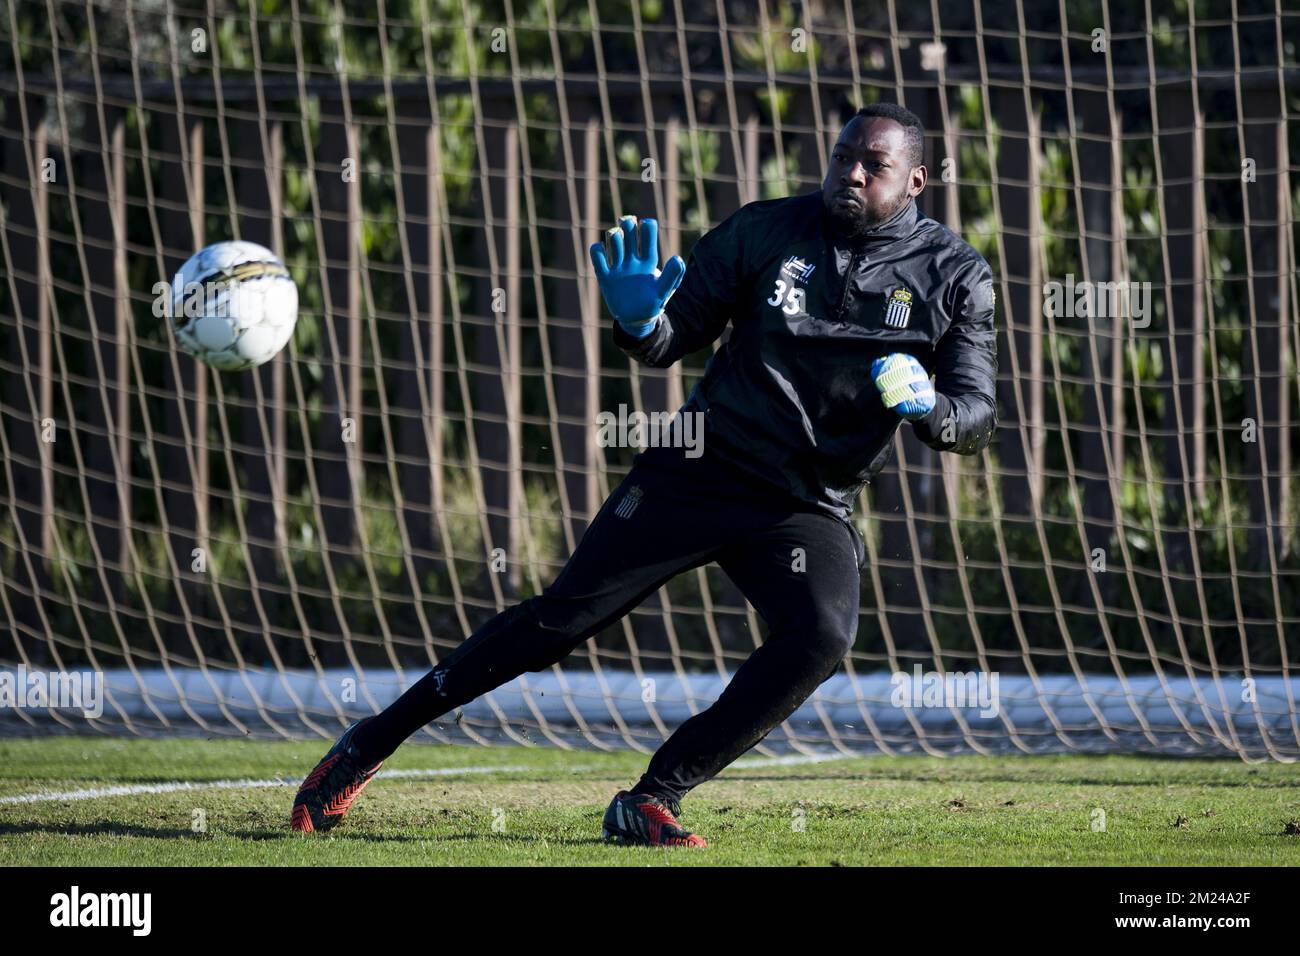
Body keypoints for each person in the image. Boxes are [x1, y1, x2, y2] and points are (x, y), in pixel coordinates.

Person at [290, 102, 998, 847]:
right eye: (842, 155)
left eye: (873, 164)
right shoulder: (762, 230)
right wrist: (637, 322)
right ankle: (367, 745)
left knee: (821, 634)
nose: (850, 171)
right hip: (698, 469)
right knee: (555, 626)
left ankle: (653, 798)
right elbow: (669, 337)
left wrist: (931, 408)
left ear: (916, 179)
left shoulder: (955, 275)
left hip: (807, 504)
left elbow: (977, 414)